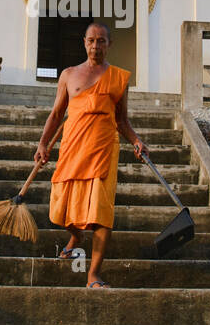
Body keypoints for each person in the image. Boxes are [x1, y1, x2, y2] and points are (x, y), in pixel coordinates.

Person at [34, 21, 146, 288]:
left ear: (110, 44)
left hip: (103, 148)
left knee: (101, 213)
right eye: (91, 40)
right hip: (72, 146)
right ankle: (76, 237)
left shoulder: (119, 77)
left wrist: (137, 140)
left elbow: (122, 120)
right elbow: (56, 113)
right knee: (59, 207)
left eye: (102, 41)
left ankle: (93, 274)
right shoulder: (68, 75)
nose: (96, 46)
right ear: (84, 42)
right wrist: (42, 143)